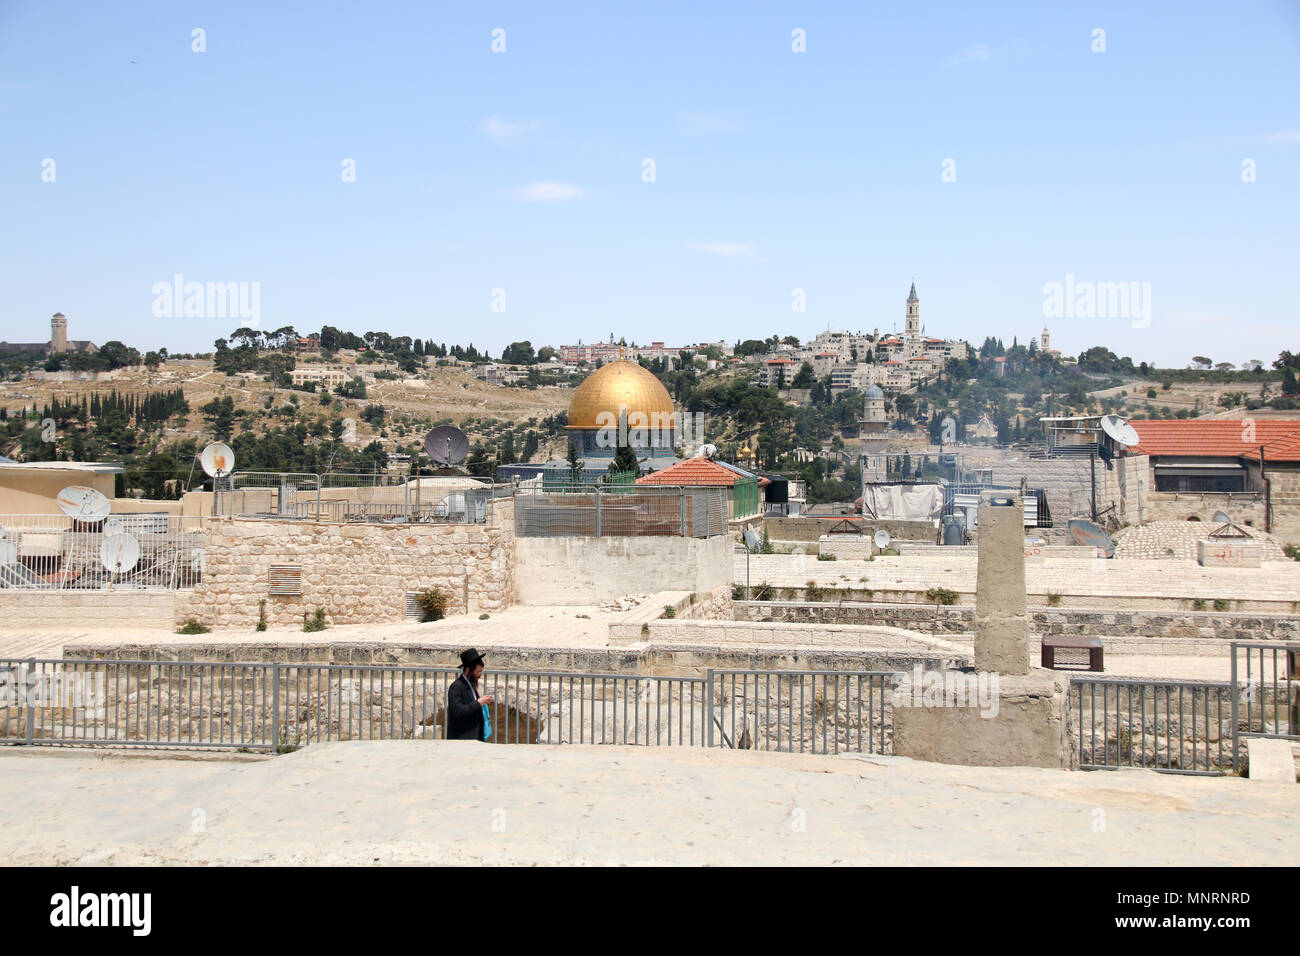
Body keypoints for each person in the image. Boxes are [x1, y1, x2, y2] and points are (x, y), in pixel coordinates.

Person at [446, 648, 493, 740]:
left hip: (474, 738)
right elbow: (457, 712)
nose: (480, 675)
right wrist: (478, 703)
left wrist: (483, 702)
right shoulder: (456, 687)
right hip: (462, 739)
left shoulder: (471, 686)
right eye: (478, 672)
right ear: (468, 670)